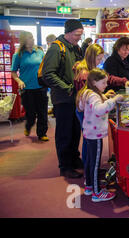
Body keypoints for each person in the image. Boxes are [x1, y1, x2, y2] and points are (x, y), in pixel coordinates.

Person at [73, 43, 129, 163]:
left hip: (85, 110)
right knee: (89, 140)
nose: (100, 61)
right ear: (91, 56)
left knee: (88, 139)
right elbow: (88, 95)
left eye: (101, 58)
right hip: (85, 112)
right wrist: (107, 98)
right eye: (98, 58)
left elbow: (107, 79)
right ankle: (90, 168)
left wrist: (106, 94)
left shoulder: (89, 69)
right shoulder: (84, 72)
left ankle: (90, 167)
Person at [42, 19, 84, 178]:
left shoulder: (76, 48)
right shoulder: (56, 48)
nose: (79, 37)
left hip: (75, 98)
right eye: (76, 34)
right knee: (64, 133)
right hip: (63, 98)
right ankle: (65, 166)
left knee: (75, 131)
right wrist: (67, 88)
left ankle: (74, 159)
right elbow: (48, 74)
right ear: (68, 32)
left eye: (80, 34)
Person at [76, 68, 124, 202]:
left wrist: (106, 97)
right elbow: (99, 110)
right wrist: (113, 100)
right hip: (95, 134)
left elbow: (87, 106)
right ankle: (97, 193)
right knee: (95, 163)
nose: (106, 85)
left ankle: (90, 186)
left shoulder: (87, 93)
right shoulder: (93, 96)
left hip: (89, 132)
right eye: (103, 83)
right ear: (94, 82)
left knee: (91, 161)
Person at [11, 31, 48, 141]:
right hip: (27, 89)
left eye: (31, 38)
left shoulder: (40, 52)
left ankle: (42, 133)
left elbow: (45, 67)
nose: (31, 40)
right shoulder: (18, 55)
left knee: (42, 112)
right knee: (31, 114)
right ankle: (28, 125)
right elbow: (13, 72)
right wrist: (19, 81)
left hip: (41, 87)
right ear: (23, 41)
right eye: (28, 38)